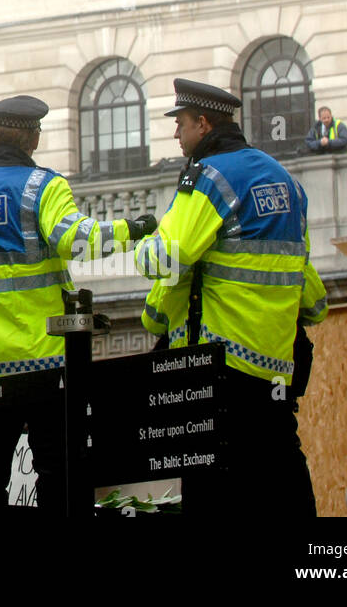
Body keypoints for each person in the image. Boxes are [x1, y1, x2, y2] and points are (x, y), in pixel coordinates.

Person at [0, 94, 156, 514]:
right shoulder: (43, 187)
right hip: (44, 363)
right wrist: (136, 227)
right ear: (33, 139)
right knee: (60, 476)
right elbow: (79, 240)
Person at [136, 79, 328, 517]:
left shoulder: (208, 178)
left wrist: (143, 246)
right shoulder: (284, 179)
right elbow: (305, 277)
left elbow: (171, 256)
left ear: (203, 124)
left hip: (220, 361)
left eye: (181, 123)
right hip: (277, 361)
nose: (176, 134)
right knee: (281, 471)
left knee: (215, 482)